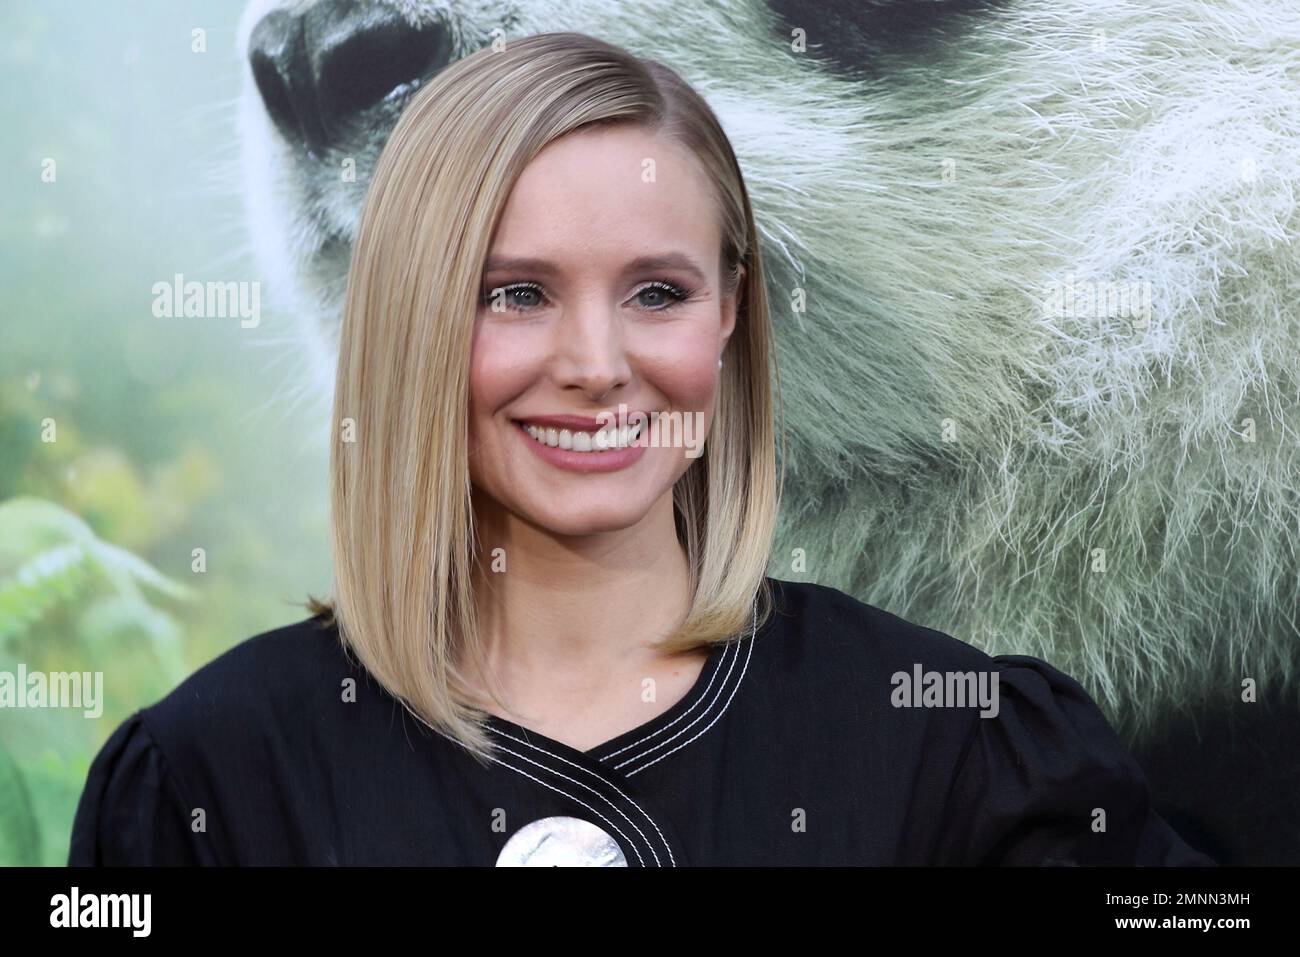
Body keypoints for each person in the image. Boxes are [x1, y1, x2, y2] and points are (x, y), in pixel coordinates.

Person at [69, 31, 1213, 867]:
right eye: (506, 292)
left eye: (656, 290)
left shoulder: (988, 746)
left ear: (735, 311)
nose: (591, 363)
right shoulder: (203, 780)